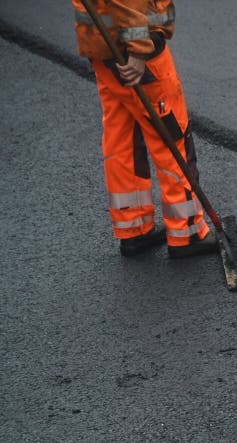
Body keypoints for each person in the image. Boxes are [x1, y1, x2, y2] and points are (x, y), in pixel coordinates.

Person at [72, 0, 217, 258]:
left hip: (105, 53)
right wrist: (139, 51)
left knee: (123, 141)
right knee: (171, 139)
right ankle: (188, 233)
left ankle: (134, 228)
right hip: (135, 58)